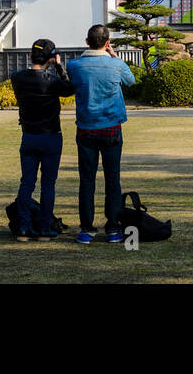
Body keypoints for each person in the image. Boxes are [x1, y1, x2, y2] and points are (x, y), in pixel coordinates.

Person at [66, 25, 134, 244]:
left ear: (87, 41)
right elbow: (131, 81)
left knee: (87, 180)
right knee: (112, 179)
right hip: (111, 127)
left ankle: (86, 229)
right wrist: (113, 55)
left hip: (86, 128)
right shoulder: (115, 64)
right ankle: (113, 228)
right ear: (107, 42)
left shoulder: (74, 65)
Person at [9, 38, 74, 241]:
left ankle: (23, 228)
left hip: (28, 135)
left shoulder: (17, 78)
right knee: (48, 184)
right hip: (51, 135)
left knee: (26, 183)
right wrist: (60, 68)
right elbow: (69, 88)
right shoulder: (52, 81)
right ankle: (45, 228)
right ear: (51, 58)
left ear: (30, 55)